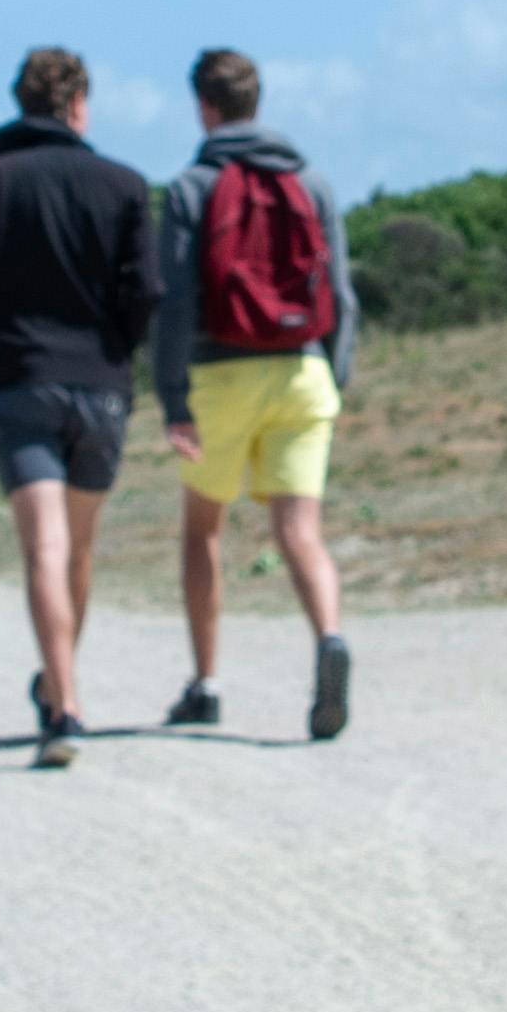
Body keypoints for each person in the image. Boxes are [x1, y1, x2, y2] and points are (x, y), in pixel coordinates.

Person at [0, 45, 159, 764]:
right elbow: (148, 289)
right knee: (79, 549)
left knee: (45, 550)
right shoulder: (124, 185)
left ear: (22, 104)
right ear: (80, 105)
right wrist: (117, 350)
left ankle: (64, 707)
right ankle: (61, 688)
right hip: (101, 388)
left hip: (22, 380)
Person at [151, 47, 358, 741]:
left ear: (203, 106)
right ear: (257, 102)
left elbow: (175, 302)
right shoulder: (314, 183)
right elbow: (343, 297)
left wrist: (172, 395)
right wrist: (334, 377)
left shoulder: (189, 187)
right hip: (303, 371)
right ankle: (328, 636)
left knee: (203, 528)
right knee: (301, 531)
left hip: (220, 376)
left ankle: (206, 683)